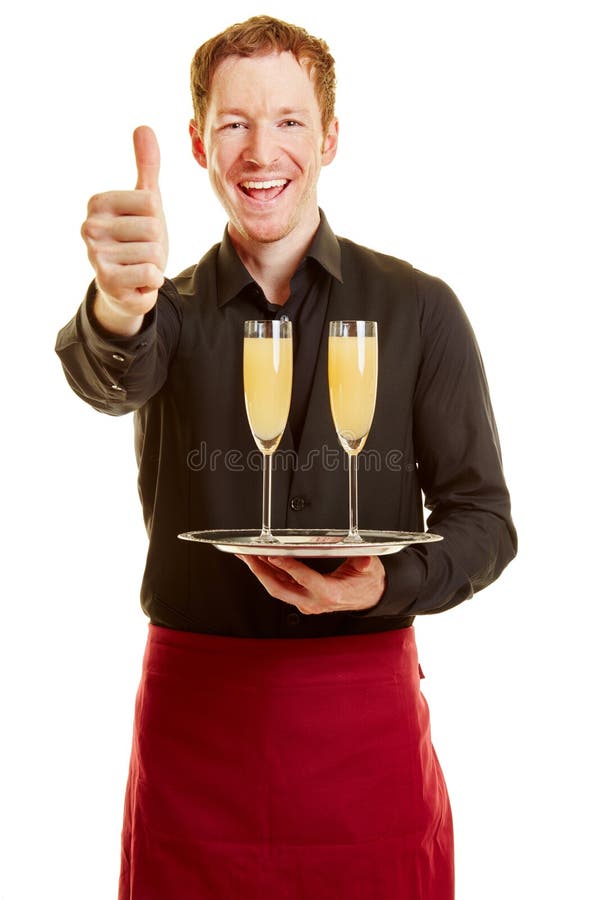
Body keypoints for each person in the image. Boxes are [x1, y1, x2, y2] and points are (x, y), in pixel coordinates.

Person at [56, 15, 517, 900]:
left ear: (331, 137)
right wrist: (116, 304)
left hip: (362, 713)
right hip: (197, 720)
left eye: (289, 121)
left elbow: (486, 523)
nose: (260, 150)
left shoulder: (420, 310)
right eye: (233, 123)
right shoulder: (167, 310)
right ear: (198, 143)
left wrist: (387, 583)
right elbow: (109, 379)